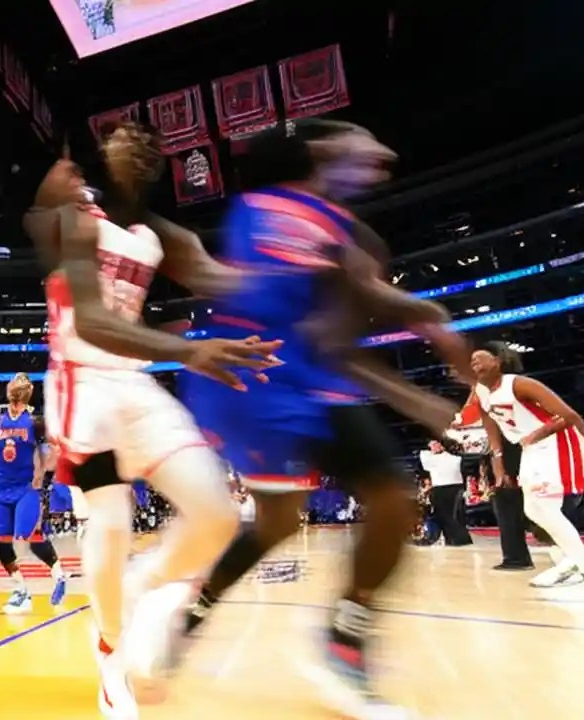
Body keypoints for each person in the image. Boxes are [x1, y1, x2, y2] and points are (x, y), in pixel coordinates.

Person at [176, 119, 472, 718]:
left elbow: (363, 291)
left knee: (392, 501)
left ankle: (345, 641)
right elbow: (342, 291)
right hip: (257, 381)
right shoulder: (259, 209)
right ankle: (200, 606)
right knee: (278, 524)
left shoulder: (332, 222)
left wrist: (426, 315)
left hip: (311, 383)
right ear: (311, 158)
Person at [24, 125, 283, 719]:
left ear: (158, 168)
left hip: (133, 381)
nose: (134, 140)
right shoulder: (75, 220)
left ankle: (145, 582)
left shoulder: (161, 234)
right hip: (81, 384)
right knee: (110, 524)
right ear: (100, 160)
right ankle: (110, 652)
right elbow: (89, 321)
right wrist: (193, 351)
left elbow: (222, 279)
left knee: (218, 513)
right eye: (118, 136)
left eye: (145, 138)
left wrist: (299, 281)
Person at [470, 343, 584, 589]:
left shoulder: (519, 384)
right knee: (535, 511)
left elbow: (568, 415)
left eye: (479, 359)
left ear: (497, 361)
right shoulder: (480, 393)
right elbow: (492, 430)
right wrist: (499, 466)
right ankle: (572, 563)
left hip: (555, 442)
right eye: (471, 361)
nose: (474, 364)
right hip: (531, 448)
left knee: (543, 508)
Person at [0, 374, 67, 613]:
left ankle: (58, 574)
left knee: (28, 535)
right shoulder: (0, 417)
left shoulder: (35, 421)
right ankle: (21, 590)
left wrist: (45, 472)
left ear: (25, 392)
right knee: (1, 542)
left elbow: (53, 448)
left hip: (25, 486)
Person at [419, 440, 472, 546]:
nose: (436, 446)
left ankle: (460, 540)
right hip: (439, 487)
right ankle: (447, 539)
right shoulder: (428, 457)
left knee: (455, 514)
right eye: (432, 445)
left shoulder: (454, 457)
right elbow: (425, 457)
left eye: (437, 444)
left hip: (455, 486)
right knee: (442, 515)